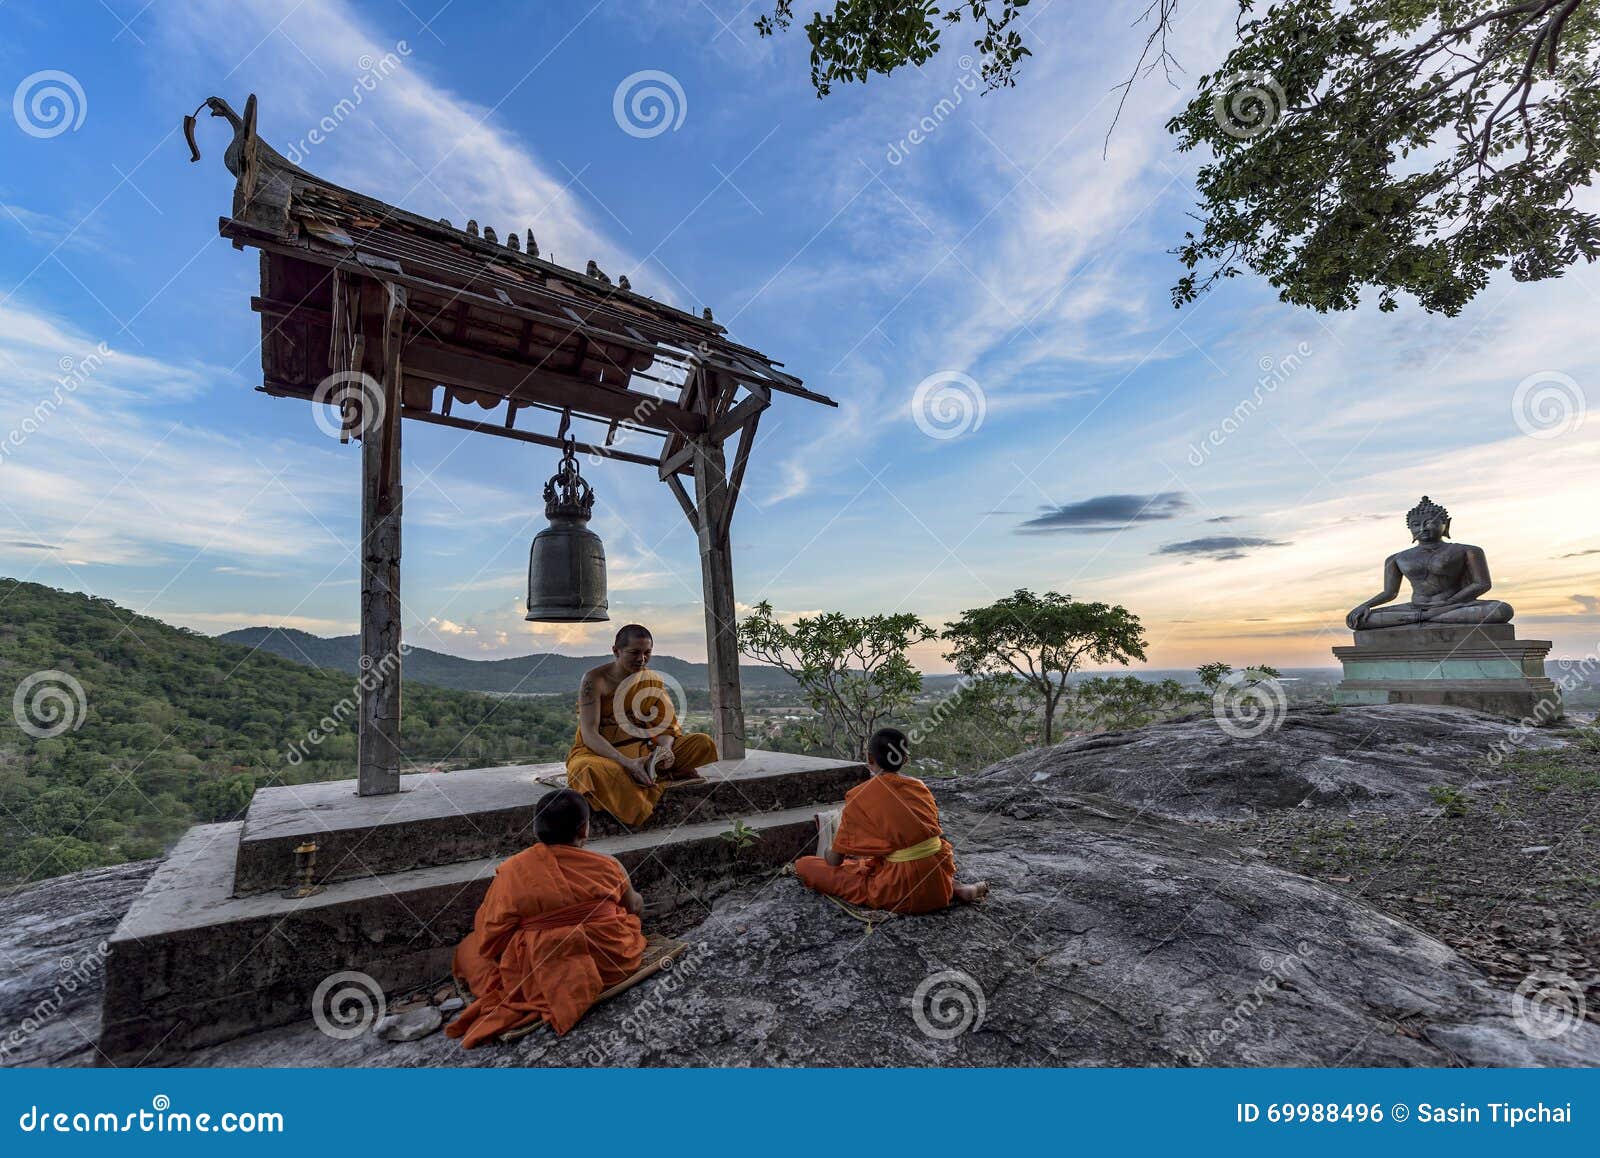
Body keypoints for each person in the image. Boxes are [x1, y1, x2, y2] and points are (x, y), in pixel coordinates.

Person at [446, 789, 645, 1046]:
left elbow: (491, 934)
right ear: (584, 830)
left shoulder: (514, 871)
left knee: (470, 949)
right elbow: (634, 907)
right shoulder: (608, 865)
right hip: (610, 959)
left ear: (536, 831)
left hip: (540, 970)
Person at [795, 727, 987, 914]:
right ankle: (956, 887)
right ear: (905, 759)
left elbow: (834, 862)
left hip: (902, 888)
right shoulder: (920, 787)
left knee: (806, 865)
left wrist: (829, 849)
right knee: (871, 863)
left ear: (869, 759)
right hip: (937, 879)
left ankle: (952, 888)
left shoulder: (859, 796)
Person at [564, 624, 719, 826]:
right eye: (634, 653)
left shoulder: (651, 679)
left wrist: (664, 751)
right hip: (603, 753)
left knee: (702, 743)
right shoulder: (595, 680)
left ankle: (650, 770)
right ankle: (640, 778)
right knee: (586, 769)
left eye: (647, 653)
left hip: (646, 751)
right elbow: (589, 733)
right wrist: (627, 763)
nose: (642, 659)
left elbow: (664, 726)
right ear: (616, 651)